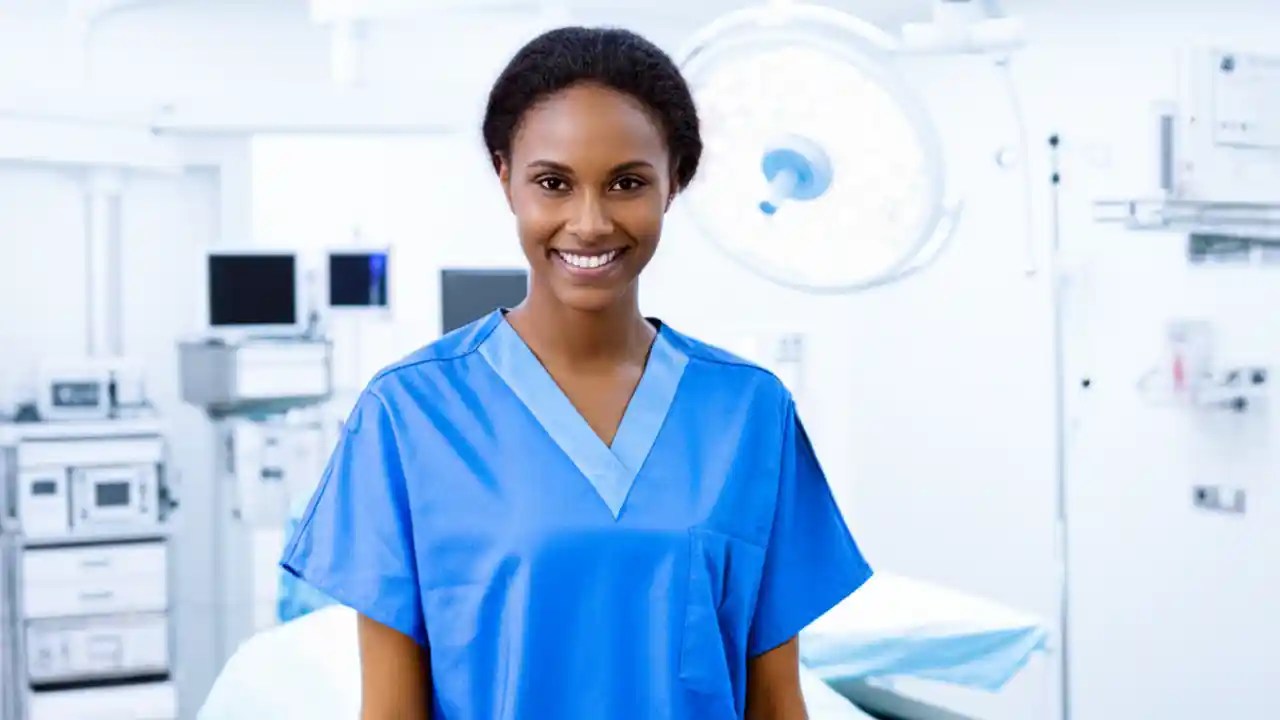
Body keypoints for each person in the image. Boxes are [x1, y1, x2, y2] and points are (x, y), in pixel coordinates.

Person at [280, 26, 872, 720]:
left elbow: (777, 703)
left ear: (674, 181)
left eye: (627, 183)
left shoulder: (748, 412)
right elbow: (389, 711)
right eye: (553, 183)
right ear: (505, 178)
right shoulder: (411, 414)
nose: (589, 223)